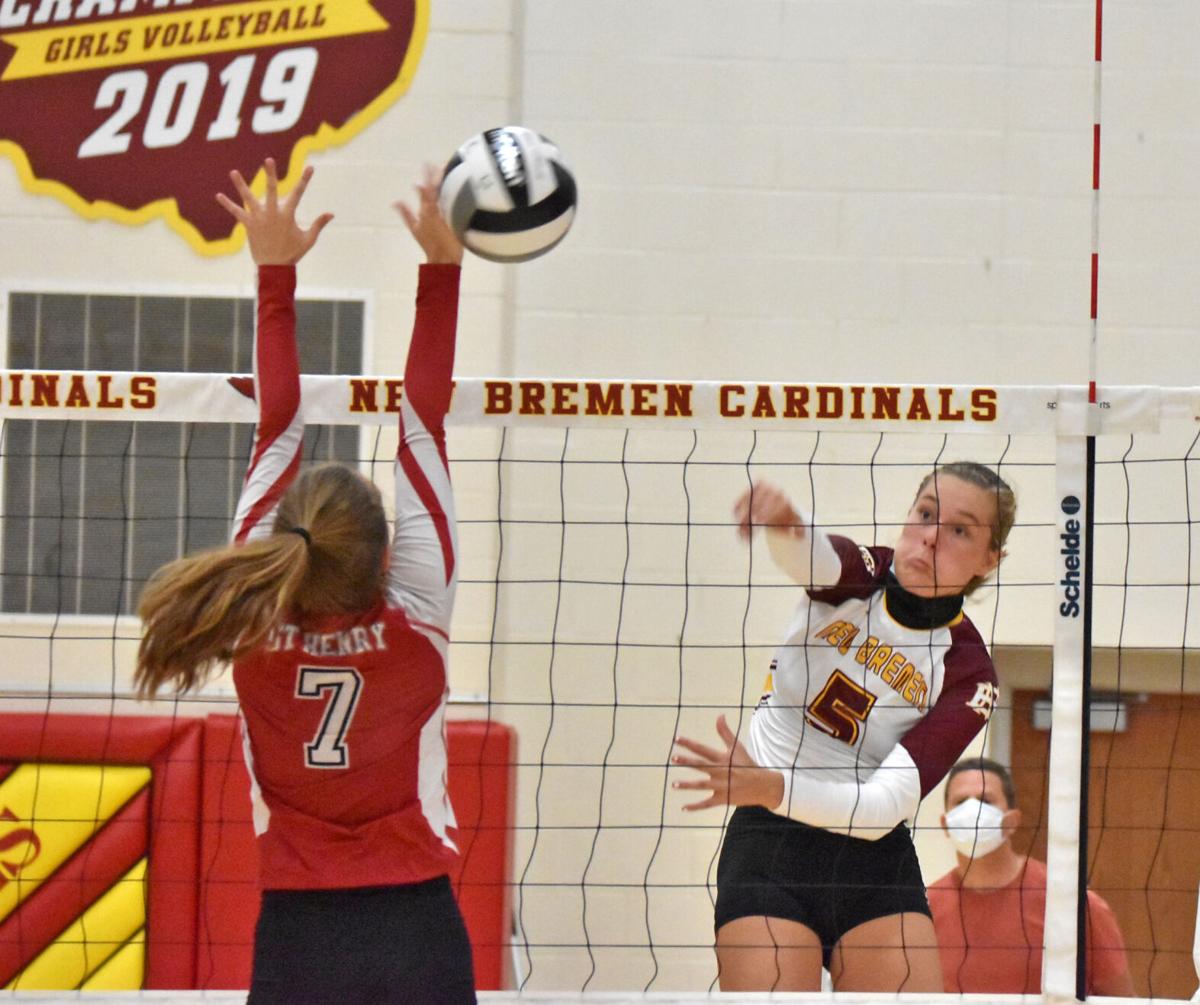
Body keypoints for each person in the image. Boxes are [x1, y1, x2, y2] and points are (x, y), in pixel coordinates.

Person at [133, 158, 476, 1004]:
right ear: (386, 557)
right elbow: (420, 420)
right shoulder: (418, 617)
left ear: (291, 542)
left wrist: (272, 270)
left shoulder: (252, 624)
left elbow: (275, 421)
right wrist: (443, 269)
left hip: (298, 927)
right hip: (414, 923)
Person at [671, 463, 1016, 992]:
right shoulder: (863, 574)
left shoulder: (969, 670)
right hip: (771, 848)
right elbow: (814, 558)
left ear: (990, 560)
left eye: (960, 530)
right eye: (926, 514)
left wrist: (771, 787)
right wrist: (786, 522)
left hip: (872, 859)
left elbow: (883, 808)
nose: (929, 537)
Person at [929, 756, 1134, 996]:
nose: (972, 811)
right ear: (945, 824)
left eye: (986, 800)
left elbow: (1120, 999)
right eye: (961, 801)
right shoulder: (925, 910)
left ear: (1012, 821)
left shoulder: (1071, 902)